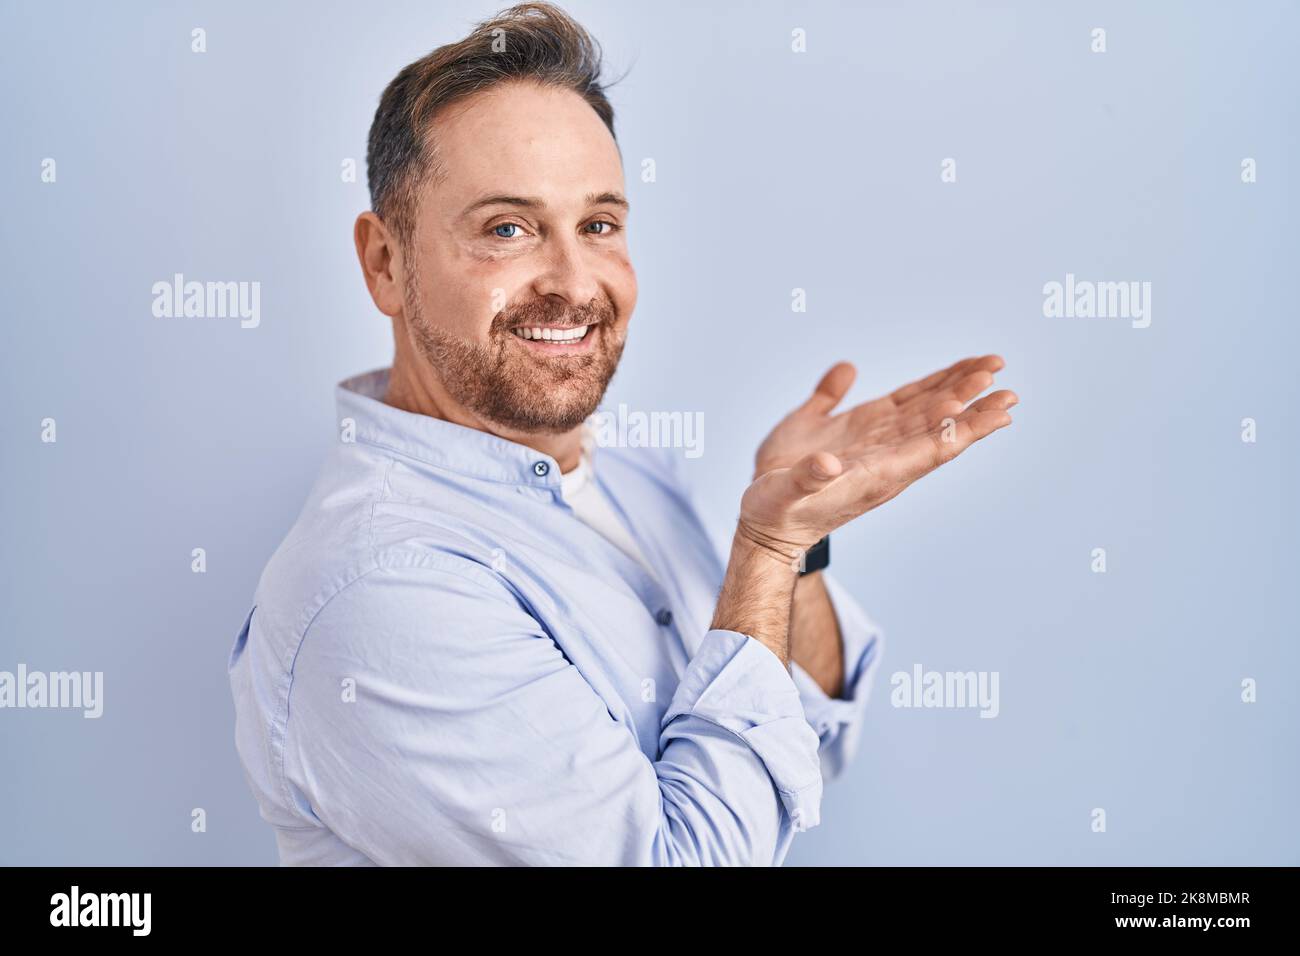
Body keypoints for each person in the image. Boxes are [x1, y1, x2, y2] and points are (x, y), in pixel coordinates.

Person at [227, 1, 1017, 866]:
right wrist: (762, 552)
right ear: (385, 262)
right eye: (507, 229)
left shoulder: (631, 478)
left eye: (599, 225)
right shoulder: (379, 592)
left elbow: (804, 751)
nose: (573, 282)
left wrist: (804, 545)